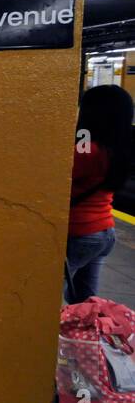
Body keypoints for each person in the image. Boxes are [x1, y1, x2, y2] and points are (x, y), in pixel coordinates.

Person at [65, 84, 134, 303]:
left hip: (81, 233)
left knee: (45, 292)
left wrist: (79, 131)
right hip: (104, 232)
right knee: (86, 301)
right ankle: (86, 336)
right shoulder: (117, 148)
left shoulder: (88, 150)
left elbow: (60, 175)